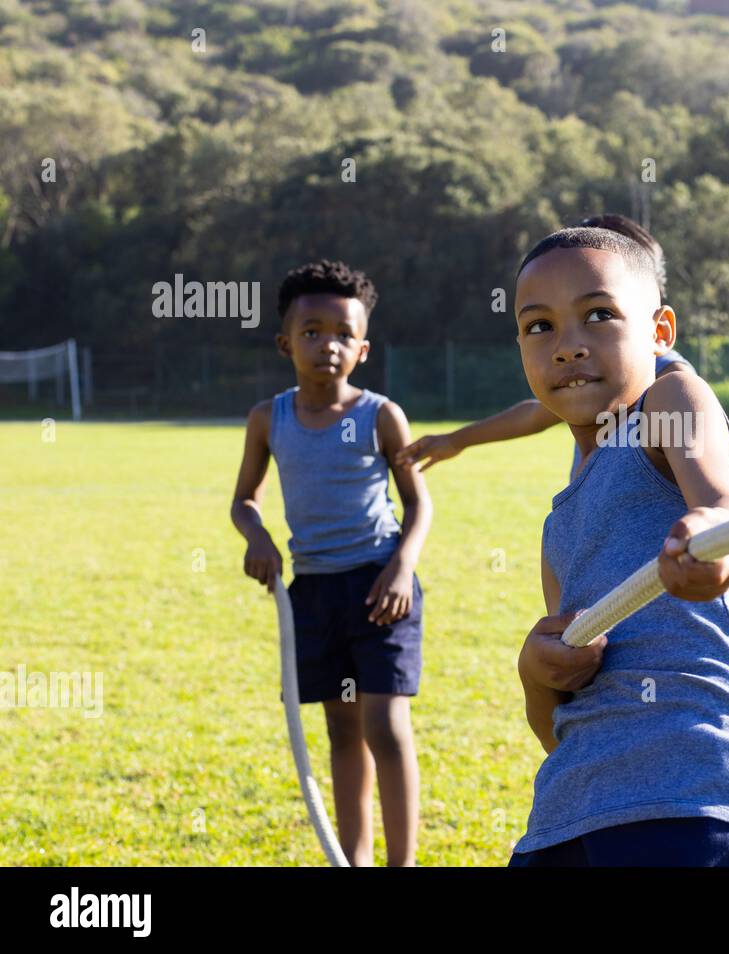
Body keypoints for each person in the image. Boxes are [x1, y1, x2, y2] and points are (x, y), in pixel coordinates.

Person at [505, 227, 729, 866]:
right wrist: (534, 673)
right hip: (566, 814)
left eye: (599, 315)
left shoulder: (667, 400)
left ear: (661, 331)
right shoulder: (558, 526)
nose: (567, 346)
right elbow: (556, 726)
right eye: (539, 327)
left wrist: (710, 544)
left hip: (693, 797)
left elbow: (724, 507)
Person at [230, 259, 432, 866]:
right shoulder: (270, 419)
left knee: (385, 729)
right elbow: (243, 500)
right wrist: (256, 536)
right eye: (312, 332)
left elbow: (419, 504)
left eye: (344, 334)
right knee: (342, 732)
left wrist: (401, 567)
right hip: (312, 593)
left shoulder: (380, 416)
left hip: (380, 588)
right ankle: (356, 860)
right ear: (284, 343)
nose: (328, 345)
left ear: (362, 348)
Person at [394, 215, 694, 480]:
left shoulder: (672, 380)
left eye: (600, 314)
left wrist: (713, 512)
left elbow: (720, 499)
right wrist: (456, 439)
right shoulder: (587, 381)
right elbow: (534, 415)